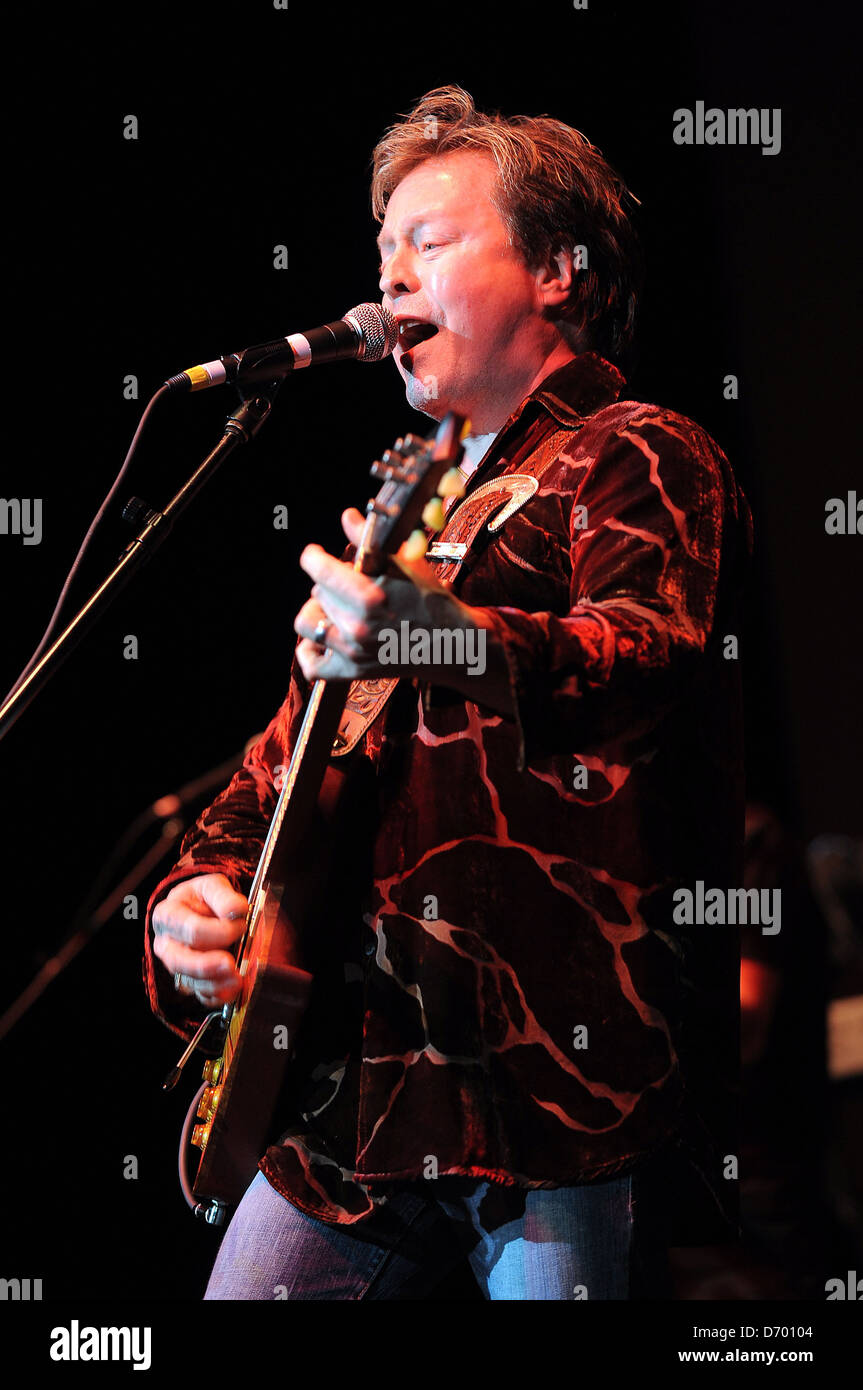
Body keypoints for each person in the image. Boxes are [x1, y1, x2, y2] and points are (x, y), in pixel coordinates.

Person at [144, 84, 753, 1300]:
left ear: (557, 272)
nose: (388, 284)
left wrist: (445, 638)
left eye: (427, 243)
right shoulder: (399, 530)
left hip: (550, 1101)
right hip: (349, 1104)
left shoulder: (633, 449)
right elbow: (264, 782)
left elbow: (642, 654)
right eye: (381, 254)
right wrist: (192, 901)